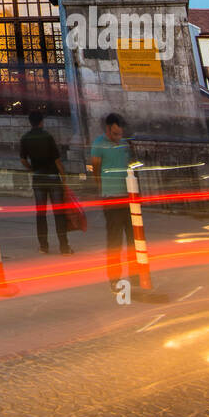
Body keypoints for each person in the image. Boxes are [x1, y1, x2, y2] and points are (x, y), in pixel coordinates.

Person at [90, 112, 136, 289]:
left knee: (133, 238)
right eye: (115, 134)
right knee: (115, 239)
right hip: (111, 197)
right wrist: (102, 189)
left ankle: (135, 274)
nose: (119, 137)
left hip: (128, 196)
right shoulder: (99, 144)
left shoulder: (124, 145)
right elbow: (96, 168)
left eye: (120, 134)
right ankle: (115, 277)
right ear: (108, 129)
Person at [19, 110, 73, 255]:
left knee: (41, 213)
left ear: (30, 123)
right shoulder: (47, 137)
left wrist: (32, 168)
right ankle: (64, 246)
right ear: (42, 122)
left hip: (38, 178)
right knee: (58, 212)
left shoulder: (25, 138)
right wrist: (63, 177)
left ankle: (44, 246)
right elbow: (57, 160)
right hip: (53, 177)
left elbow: (23, 159)